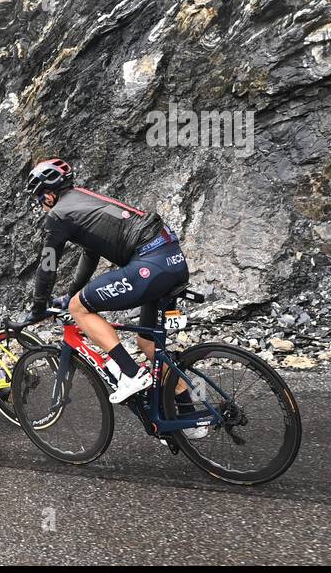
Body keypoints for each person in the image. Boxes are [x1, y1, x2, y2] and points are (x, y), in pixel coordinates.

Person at [20, 159, 202, 427]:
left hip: (149, 263)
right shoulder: (85, 199)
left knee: (79, 309)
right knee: (148, 345)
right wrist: (73, 291)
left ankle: (130, 374)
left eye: (40, 199)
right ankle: (190, 416)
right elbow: (91, 252)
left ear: (47, 195)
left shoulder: (57, 215)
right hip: (171, 259)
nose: (41, 205)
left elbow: (47, 267)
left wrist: (38, 307)